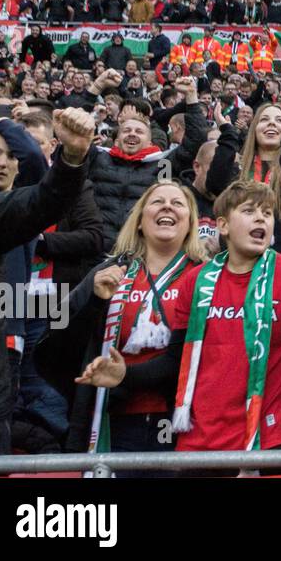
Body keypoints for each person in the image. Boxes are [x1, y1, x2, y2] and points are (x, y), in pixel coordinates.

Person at [92, 180, 281, 454]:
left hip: (270, 437)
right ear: (223, 225)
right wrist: (125, 374)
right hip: (199, 440)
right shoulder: (196, 281)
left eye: (267, 213)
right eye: (249, 211)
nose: (260, 218)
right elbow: (175, 360)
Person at [37, 182, 208, 459]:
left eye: (178, 204)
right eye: (157, 202)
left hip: (187, 420)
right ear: (140, 222)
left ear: (190, 223)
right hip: (114, 418)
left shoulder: (208, 277)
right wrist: (94, 301)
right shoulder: (109, 270)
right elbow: (56, 339)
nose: (167, 206)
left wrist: (125, 376)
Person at [0, 107, 97, 456]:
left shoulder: (3, 208)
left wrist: (4, 122)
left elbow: (42, 180)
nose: (3, 163)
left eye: (11, 157)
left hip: (6, 336)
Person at [84, 75, 208, 244]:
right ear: (117, 139)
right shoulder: (98, 157)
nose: (132, 134)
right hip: (95, 249)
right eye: (126, 130)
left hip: (140, 250)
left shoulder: (162, 163)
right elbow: (74, 129)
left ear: (150, 141)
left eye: (139, 131)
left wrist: (192, 97)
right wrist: (96, 86)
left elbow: (195, 142)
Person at [208, 101, 281, 259]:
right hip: (237, 263)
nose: (272, 123)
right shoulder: (237, 171)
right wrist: (227, 134)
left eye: (280, 121)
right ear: (254, 130)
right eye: (264, 119)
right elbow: (214, 184)